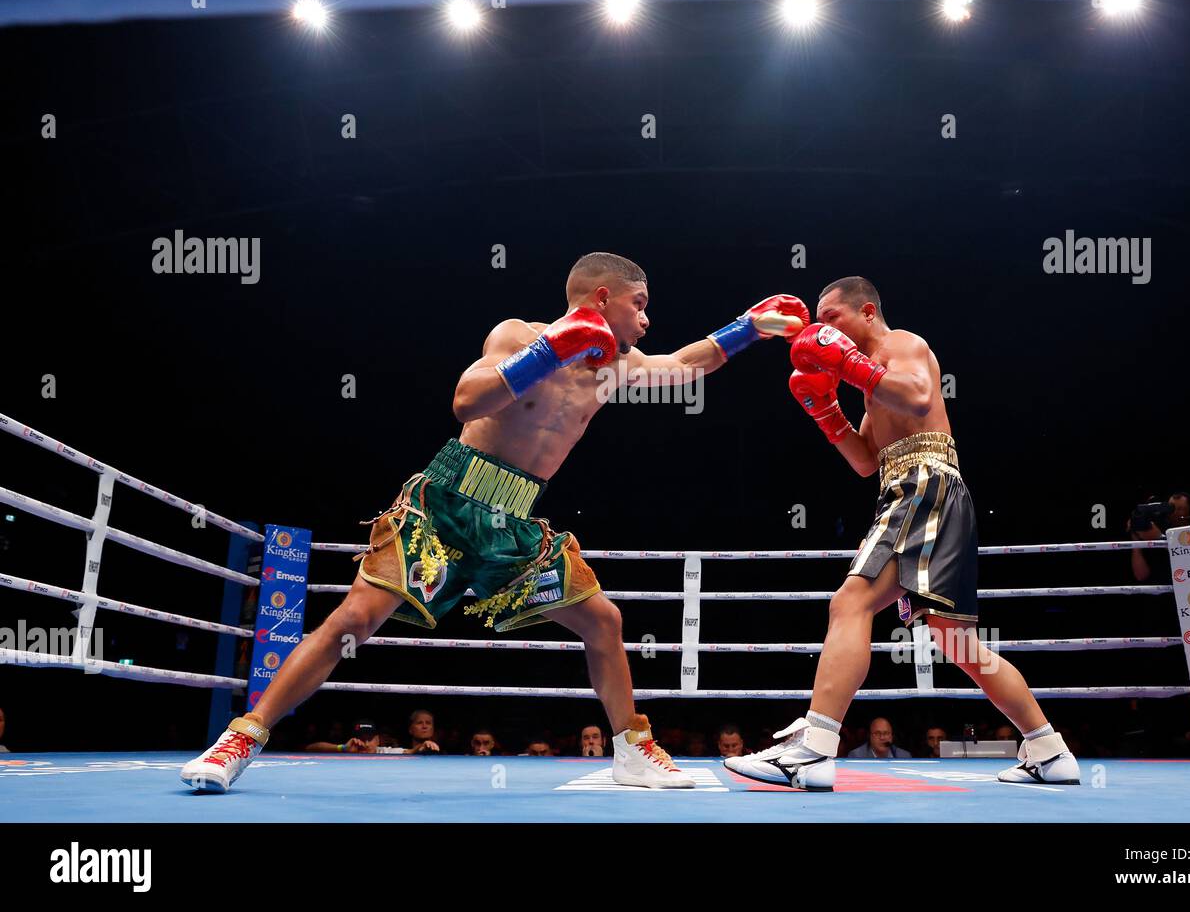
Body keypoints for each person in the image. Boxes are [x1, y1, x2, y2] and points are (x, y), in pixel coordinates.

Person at [182, 251, 810, 792]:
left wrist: (748, 328)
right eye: (639, 305)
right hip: (451, 500)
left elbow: (685, 366)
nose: (647, 320)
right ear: (602, 297)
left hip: (514, 521)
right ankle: (240, 740)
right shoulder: (519, 333)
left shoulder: (619, 367)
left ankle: (632, 749)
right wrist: (547, 353)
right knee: (353, 619)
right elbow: (466, 399)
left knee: (603, 620)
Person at [725, 276, 1079, 790]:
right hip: (913, 488)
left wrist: (847, 365)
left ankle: (815, 748)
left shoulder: (900, 344)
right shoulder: (868, 383)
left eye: (830, 319)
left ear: (867, 312)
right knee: (959, 643)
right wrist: (824, 407)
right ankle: (1051, 752)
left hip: (923, 484)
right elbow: (866, 462)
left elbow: (916, 398)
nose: (821, 330)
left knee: (850, 604)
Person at [846, 717, 912, 758]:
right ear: (870, 736)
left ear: (891, 737)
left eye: (886, 733)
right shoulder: (857, 756)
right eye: (877, 733)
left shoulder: (904, 756)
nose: (882, 737)